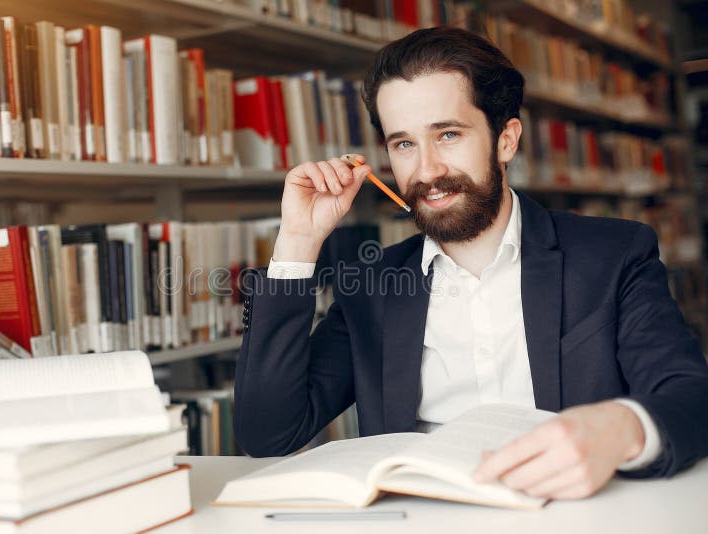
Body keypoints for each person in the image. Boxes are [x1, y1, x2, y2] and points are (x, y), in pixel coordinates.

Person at [233, 25, 708, 500]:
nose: (427, 170)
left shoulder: (613, 255)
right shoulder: (372, 286)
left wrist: (620, 428)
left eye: (449, 135)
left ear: (505, 140)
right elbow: (269, 433)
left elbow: (690, 396)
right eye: (404, 144)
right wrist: (297, 242)